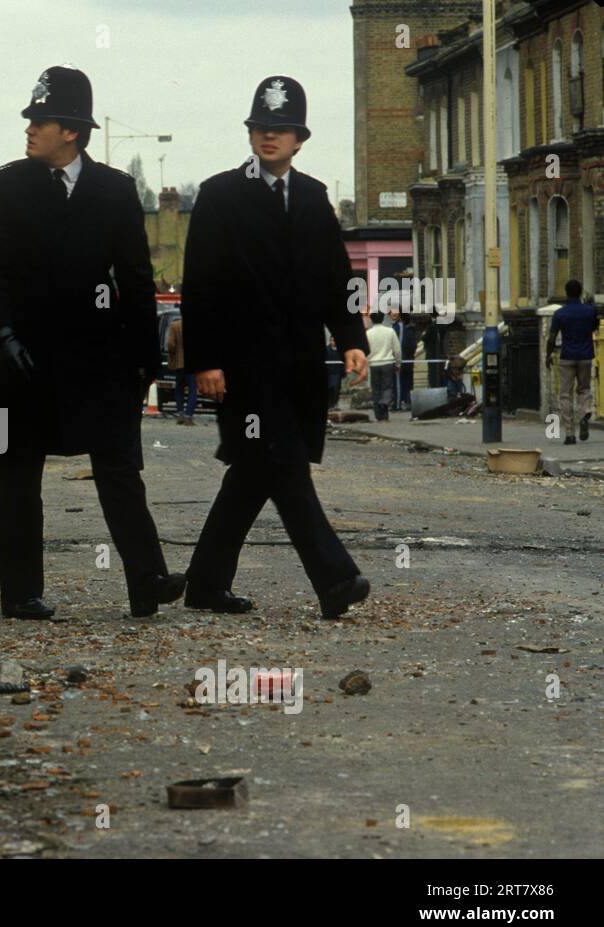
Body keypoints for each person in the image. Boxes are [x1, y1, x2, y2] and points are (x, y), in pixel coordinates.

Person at [0, 64, 184, 620]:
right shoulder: (8, 184)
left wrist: (145, 363)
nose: (29, 128)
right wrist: (3, 336)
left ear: (71, 130)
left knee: (119, 471)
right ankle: (20, 593)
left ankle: (148, 581)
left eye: (40, 119)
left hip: (98, 361)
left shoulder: (114, 190)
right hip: (26, 359)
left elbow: (137, 281)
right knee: (18, 476)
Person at [181, 75, 372, 621]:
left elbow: (337, 278)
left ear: (299, 139)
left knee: (252, 475)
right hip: (242, 369)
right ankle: (335, 579)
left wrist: (352, 340)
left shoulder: (313, 197)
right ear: (250, 133)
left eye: (282, 130)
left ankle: (205, 585)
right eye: (262, 127)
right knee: (285, 466)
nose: (270, 137)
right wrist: (205, 360)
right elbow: (201, 285)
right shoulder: (220, 195)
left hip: (300, 367)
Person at [546, 278, 600, 445]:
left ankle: (570, 433)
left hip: (567, 356)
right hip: (585, 356)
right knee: (584, 389)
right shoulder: (589, 311)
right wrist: (591, 307)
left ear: (566, 292)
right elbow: (594, 327)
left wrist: (548, 355)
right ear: (580, 291)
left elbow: (552, 338)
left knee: (565, 394)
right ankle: (584, 415)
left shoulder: (560, 313)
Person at [365, 311, 401, 421]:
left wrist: (366, 363)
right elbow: (397, 349)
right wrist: (398, 363)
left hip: (374, 363)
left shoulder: (368, 333)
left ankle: (379, 416)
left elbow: (365, 350)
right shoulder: (390, 331)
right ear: (383, 319)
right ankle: (384, 403)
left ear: (371, 319)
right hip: (388, 362)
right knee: (387, 387)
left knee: (376, 389)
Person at [165, 315, 196, 425]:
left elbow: (170, 344)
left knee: (179, 389)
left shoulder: (174, 325)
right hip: (192, 364)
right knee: (193, 390)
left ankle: (180, 414)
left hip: (179, 363)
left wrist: (172, 354)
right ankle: (189, 416)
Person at [325, 337, 346, 410]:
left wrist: (343, 372)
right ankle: (330, 404)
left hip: (337, 372)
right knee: (330, 388)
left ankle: (335, 403)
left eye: (334, 340)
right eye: (331, 340)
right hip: (329, 372)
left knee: (336, 388)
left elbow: (343, 362)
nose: (333, 342)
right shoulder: (327, 350)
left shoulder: (341, 350)